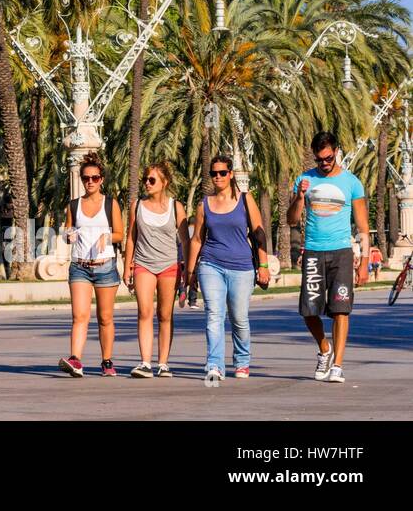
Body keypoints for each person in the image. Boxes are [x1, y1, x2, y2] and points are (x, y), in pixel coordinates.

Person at [287, 131, 370, 383]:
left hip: (341, 253)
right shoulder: (304, 180)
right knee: (309, 311)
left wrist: (364, 262)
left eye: (329, 157)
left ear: (336, 152)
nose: (324, 163)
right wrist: (300, 197)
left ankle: (337, 365)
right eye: (319, 159)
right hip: (313, 251)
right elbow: (291, 220)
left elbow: (363, 227)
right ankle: (325, 348)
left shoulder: (352, 183)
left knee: (340, 310)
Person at [186, 154, 271, 382]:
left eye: (222, 173)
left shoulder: (245, 199)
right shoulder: (204, 204)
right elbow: (196, 240)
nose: (218, 177)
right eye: (213, 173)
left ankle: (242, 361)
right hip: (211, 264)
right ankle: (214, 364)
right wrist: (190, 271)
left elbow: (259, 231)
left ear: (231, 174)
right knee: (214, 315)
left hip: (242, 267)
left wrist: (263, 265)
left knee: (239, 318)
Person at [58, 153, 124, 378]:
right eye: (86, 178)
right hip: (80, 267)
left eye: (95, 178)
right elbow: (67, 231)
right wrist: (69, 235)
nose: (90, 182)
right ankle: (75, 359)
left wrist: (107, 236)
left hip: (105, 267)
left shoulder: (110, 204)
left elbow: (120, 233)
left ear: (102, 179)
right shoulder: (74, 205)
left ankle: (107, 361)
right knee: (79, 315)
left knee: (105, 318)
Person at [123, 161, 189, 378]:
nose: (147, 183)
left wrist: (188, 270)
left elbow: (185, 241)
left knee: (165, 314)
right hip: (144, 264)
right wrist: (127, 266)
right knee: (144, 311)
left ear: (164, 182)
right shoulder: (137, 206)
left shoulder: (176, 207)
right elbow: (131, 237)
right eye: (145, 179)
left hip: (169, 265)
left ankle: (163, 364)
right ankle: (145, 363)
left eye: (152, 180)